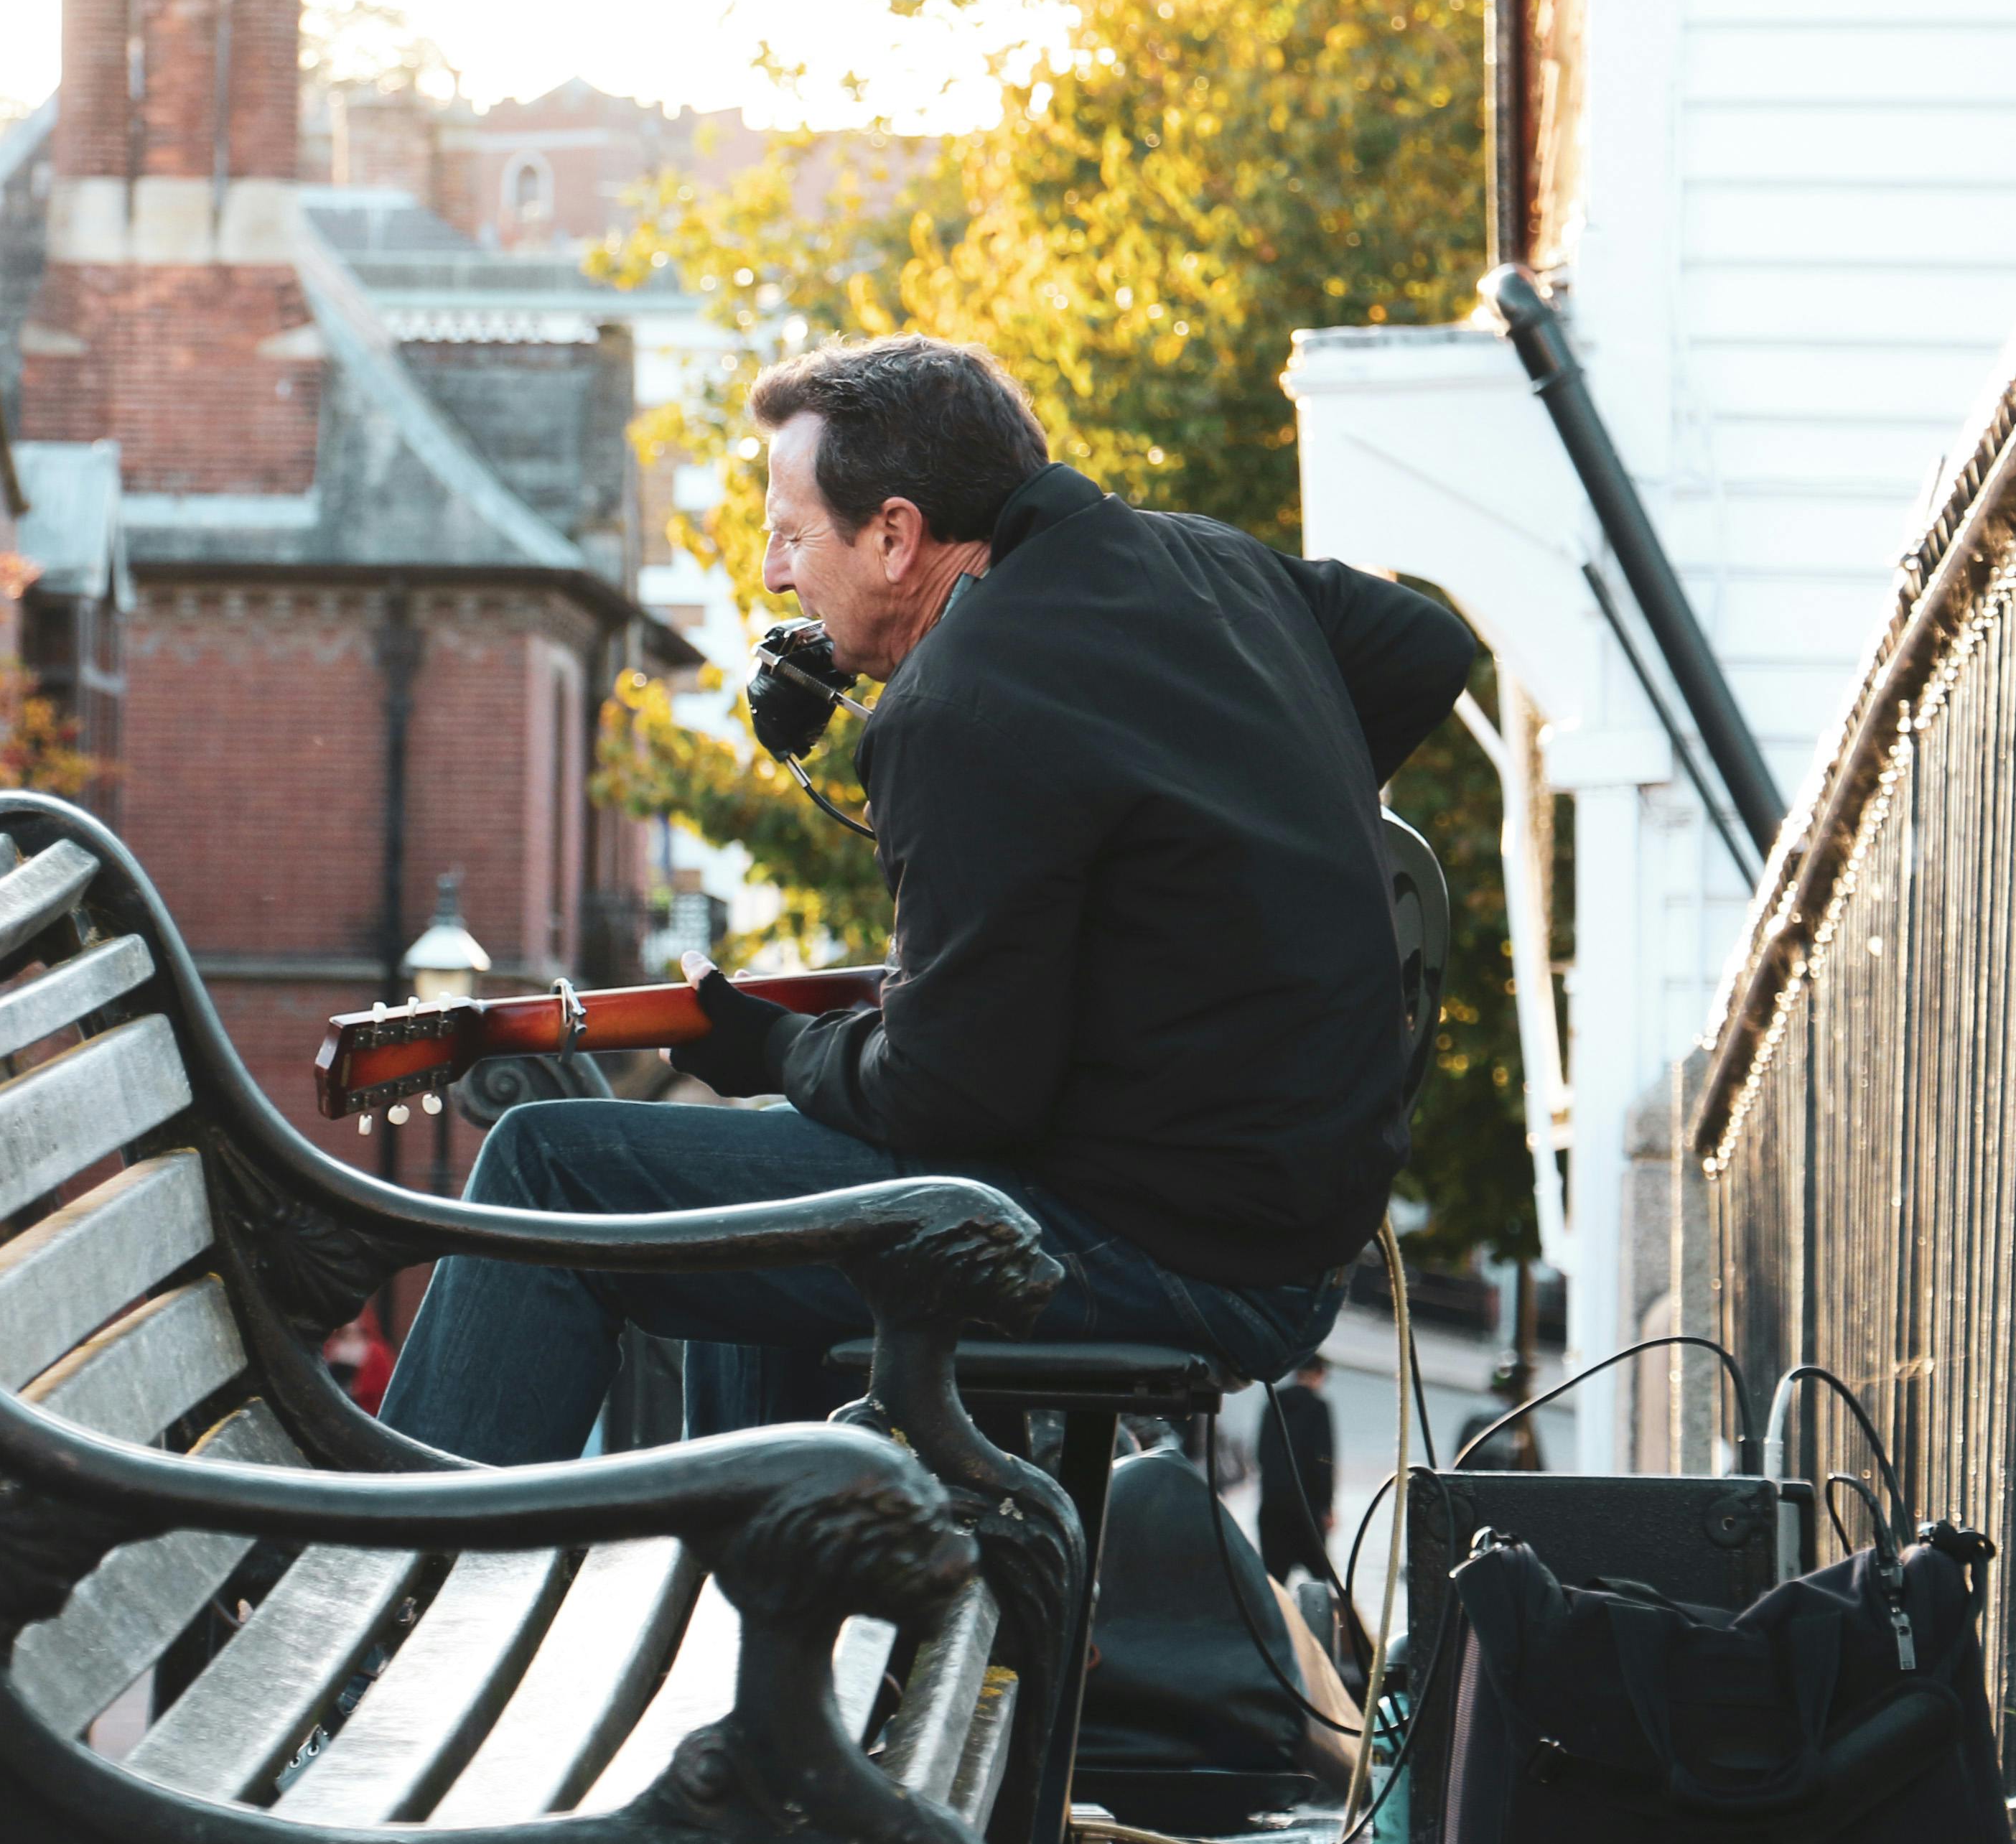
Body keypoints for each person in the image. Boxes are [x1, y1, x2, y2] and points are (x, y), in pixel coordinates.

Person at [378, 334, 1478, 1461]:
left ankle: (394, 1596)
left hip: (1159, 1250)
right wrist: (1251, 838)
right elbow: (1423, 645)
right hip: (1282, 1243)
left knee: (544, 1168)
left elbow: (950, 1096)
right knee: (750, 1217)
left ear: (895, 536)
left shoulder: (958, 705)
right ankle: (786, 1611)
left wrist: (772, 1053)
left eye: (789, 533)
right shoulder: (1204, 565)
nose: (773, 576)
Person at [1256, 1357, 1338, 1588]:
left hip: (1272, 1504)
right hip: (1307, 1505)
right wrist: (1326, 1505)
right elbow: (1323, 1460)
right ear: (1318, 1374)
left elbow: (1261, 1453)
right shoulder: (1318, 1407)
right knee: (1320, 1579)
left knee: (1273, 1583)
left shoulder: (1273, 1403)